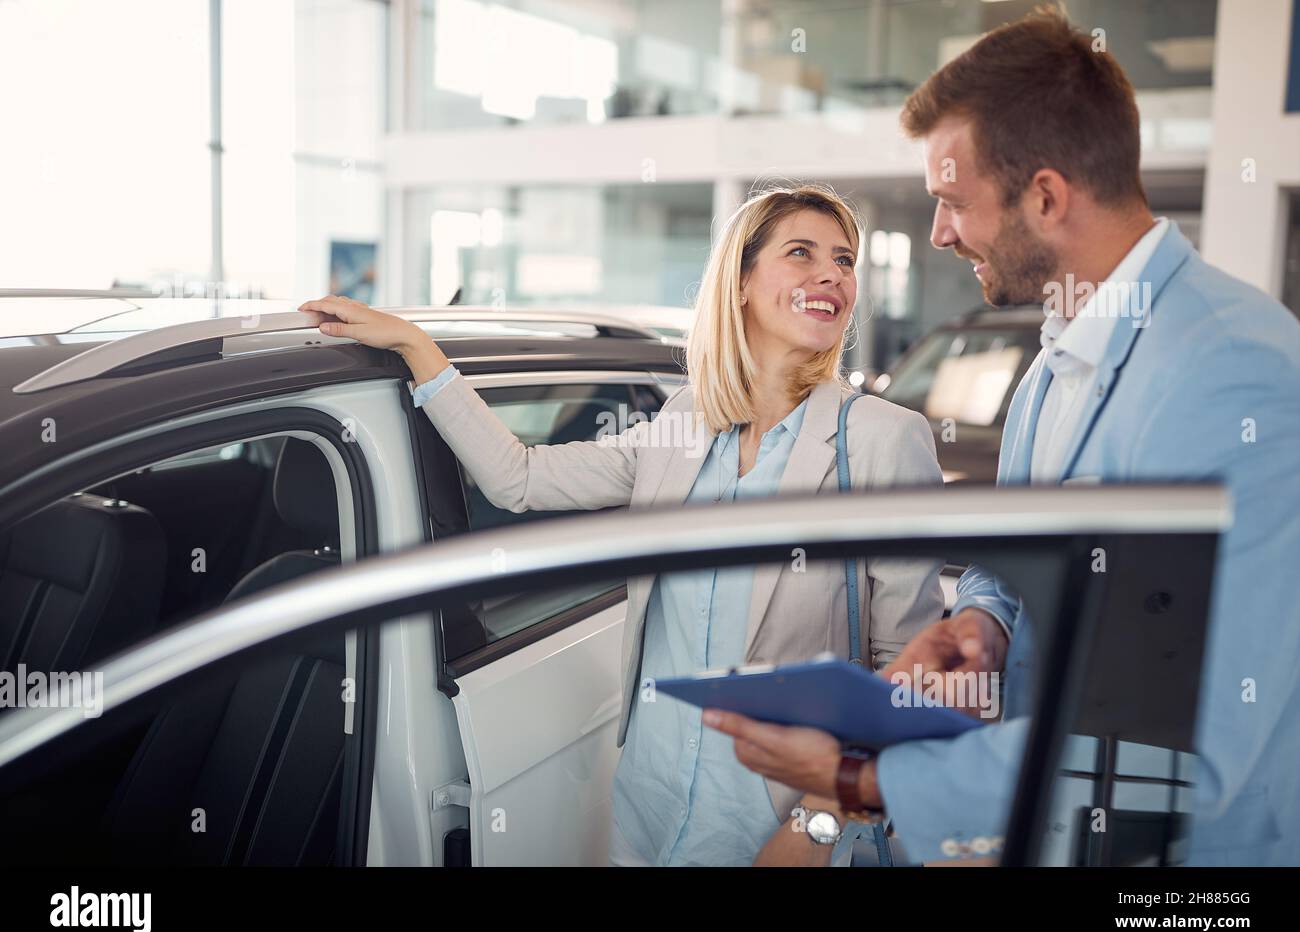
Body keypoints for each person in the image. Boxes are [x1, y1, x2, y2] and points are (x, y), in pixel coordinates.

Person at [711, 8, 1300, 866]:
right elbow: (1019, 562)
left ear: (1047, 196)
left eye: (952, 202)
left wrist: (864, 782)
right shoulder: (1056, 356)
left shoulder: (1233, 374)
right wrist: (983, 623)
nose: (940, 233)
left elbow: (1181, 749)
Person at [299, 183, 946, 866]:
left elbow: (908, 674)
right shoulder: (683, 425)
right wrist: (416, 348)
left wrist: (819, 822)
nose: (831, 275)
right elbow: (519, 478)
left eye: (844, 261)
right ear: (743, 282)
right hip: (650, 811)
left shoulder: (882, 439)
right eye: (802, 253)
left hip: (782, 831)